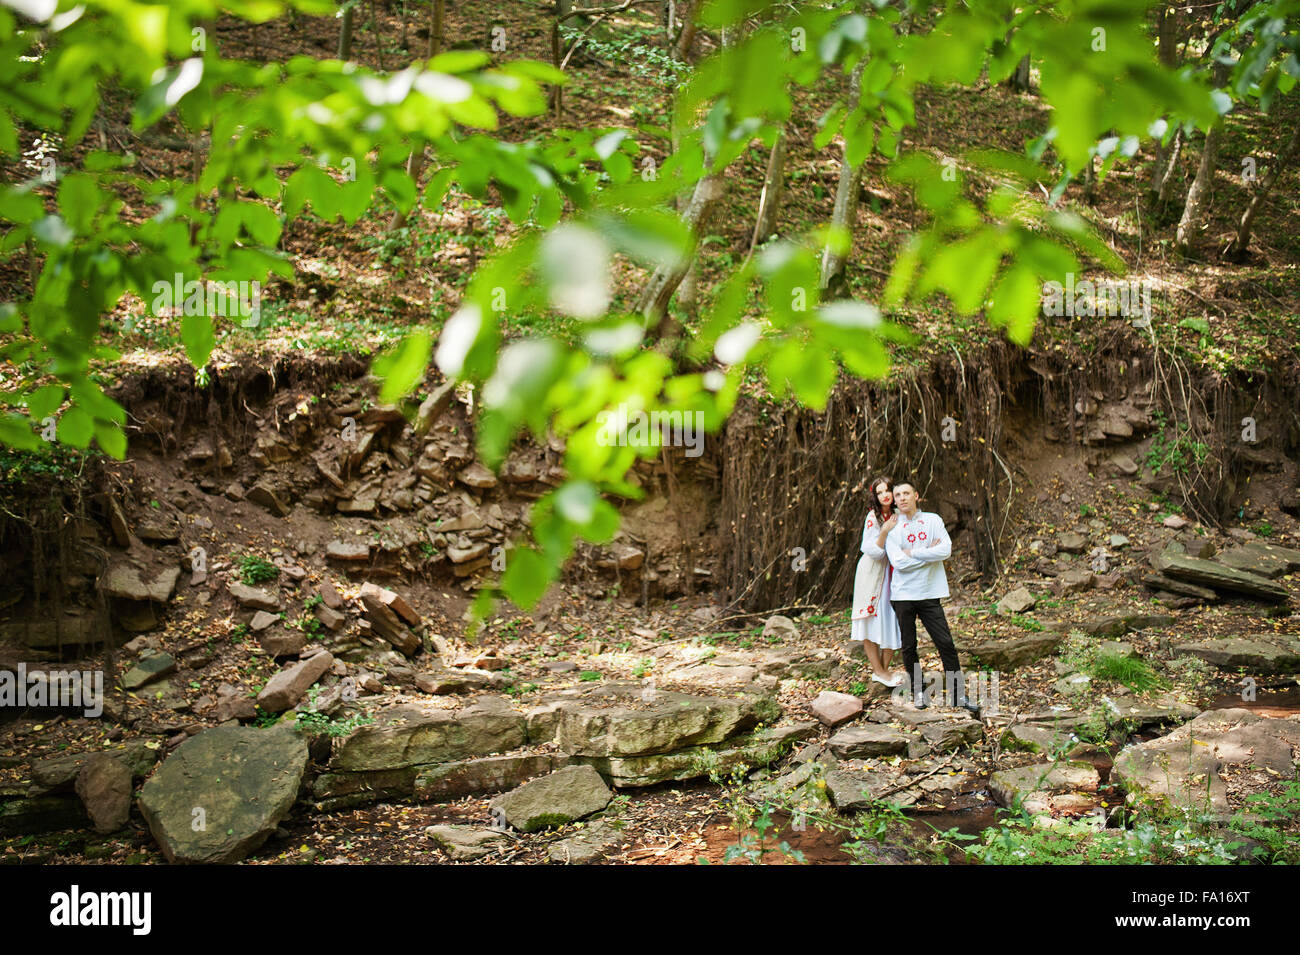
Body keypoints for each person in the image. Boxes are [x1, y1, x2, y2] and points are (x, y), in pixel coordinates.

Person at [883, 480, 980, 716]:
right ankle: (918, 691)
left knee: (945, 642)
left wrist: (913, 553)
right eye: (898, 495)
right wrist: (929, 554)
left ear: (916, 495)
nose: (902, 498)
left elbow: (945, 550)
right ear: (894, 500)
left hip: (929, 592)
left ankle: (958, 695)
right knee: (909, 645)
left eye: (906, 493)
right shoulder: (892, 527)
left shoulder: (933, 520)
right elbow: (898, 563)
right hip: (903, 594)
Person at [850, 476, 905, 687]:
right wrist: (883, 532)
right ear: (875, 496)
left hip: (893, 574)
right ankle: (879, 670)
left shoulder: (899, 514)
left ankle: (883, 670)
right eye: (880, 492)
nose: (885, 495)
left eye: (887, 490)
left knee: (893, 619)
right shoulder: (873, 517)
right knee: (869, 620)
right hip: (872, 572)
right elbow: (870, 550)